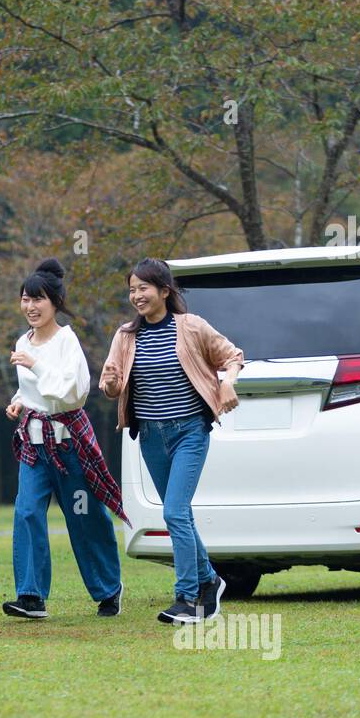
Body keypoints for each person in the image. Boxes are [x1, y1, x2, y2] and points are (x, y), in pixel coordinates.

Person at [99, 258, 244, 624]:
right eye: (132, 290)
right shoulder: (125, 336)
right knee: (179, 514)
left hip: (189, 432)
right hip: (150, 436)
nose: (136, 295)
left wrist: (227, 383)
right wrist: (112, 384)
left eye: (143, 288)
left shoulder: (191, 326)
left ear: (164, 291)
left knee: (174, 512)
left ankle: (187, 597)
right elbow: (110, 385)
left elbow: (233, 357)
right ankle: (210, 580)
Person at [4, 259, 128, 620]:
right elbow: (32, 390)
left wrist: (35, 365)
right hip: (34, 445)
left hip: (69, 444)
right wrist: (18, 401)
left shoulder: (66, 340)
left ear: (55, 302)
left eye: (38, 299)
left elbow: (73, 393)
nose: (30, 306)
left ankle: (108, 589)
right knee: (27, 511)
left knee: (84, 514)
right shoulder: (22, 341)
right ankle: (31, 597)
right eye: (26, 299)